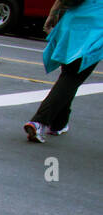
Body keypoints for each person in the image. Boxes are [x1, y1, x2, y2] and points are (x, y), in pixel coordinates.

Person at [25, 0, 103, 142]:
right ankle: (39, 121)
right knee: (73, 77)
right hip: (96, 28)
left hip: (73, 22)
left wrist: (52, 13)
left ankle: (59, 124)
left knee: (68, 77)